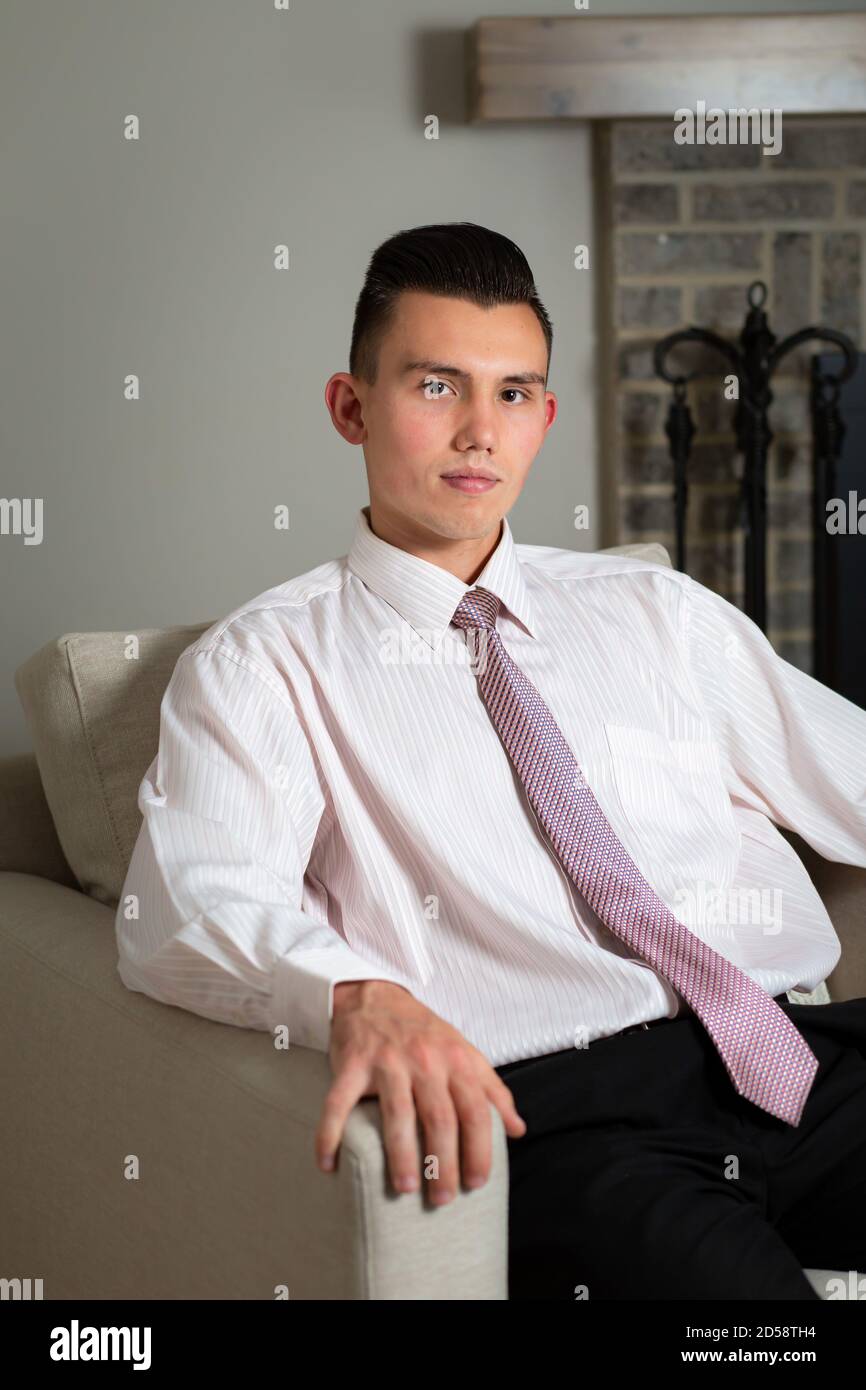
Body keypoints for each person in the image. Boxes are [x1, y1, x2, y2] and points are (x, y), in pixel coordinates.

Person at [115, 221, 866, 1300]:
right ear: (350, 405)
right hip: (570, 1116)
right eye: (435, 386)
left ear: (543, 417)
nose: (478, 431)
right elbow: (183, 907)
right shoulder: (263, 665)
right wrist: (353, 992)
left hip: (793, 1054)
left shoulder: (654, 611)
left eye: (512, 393)